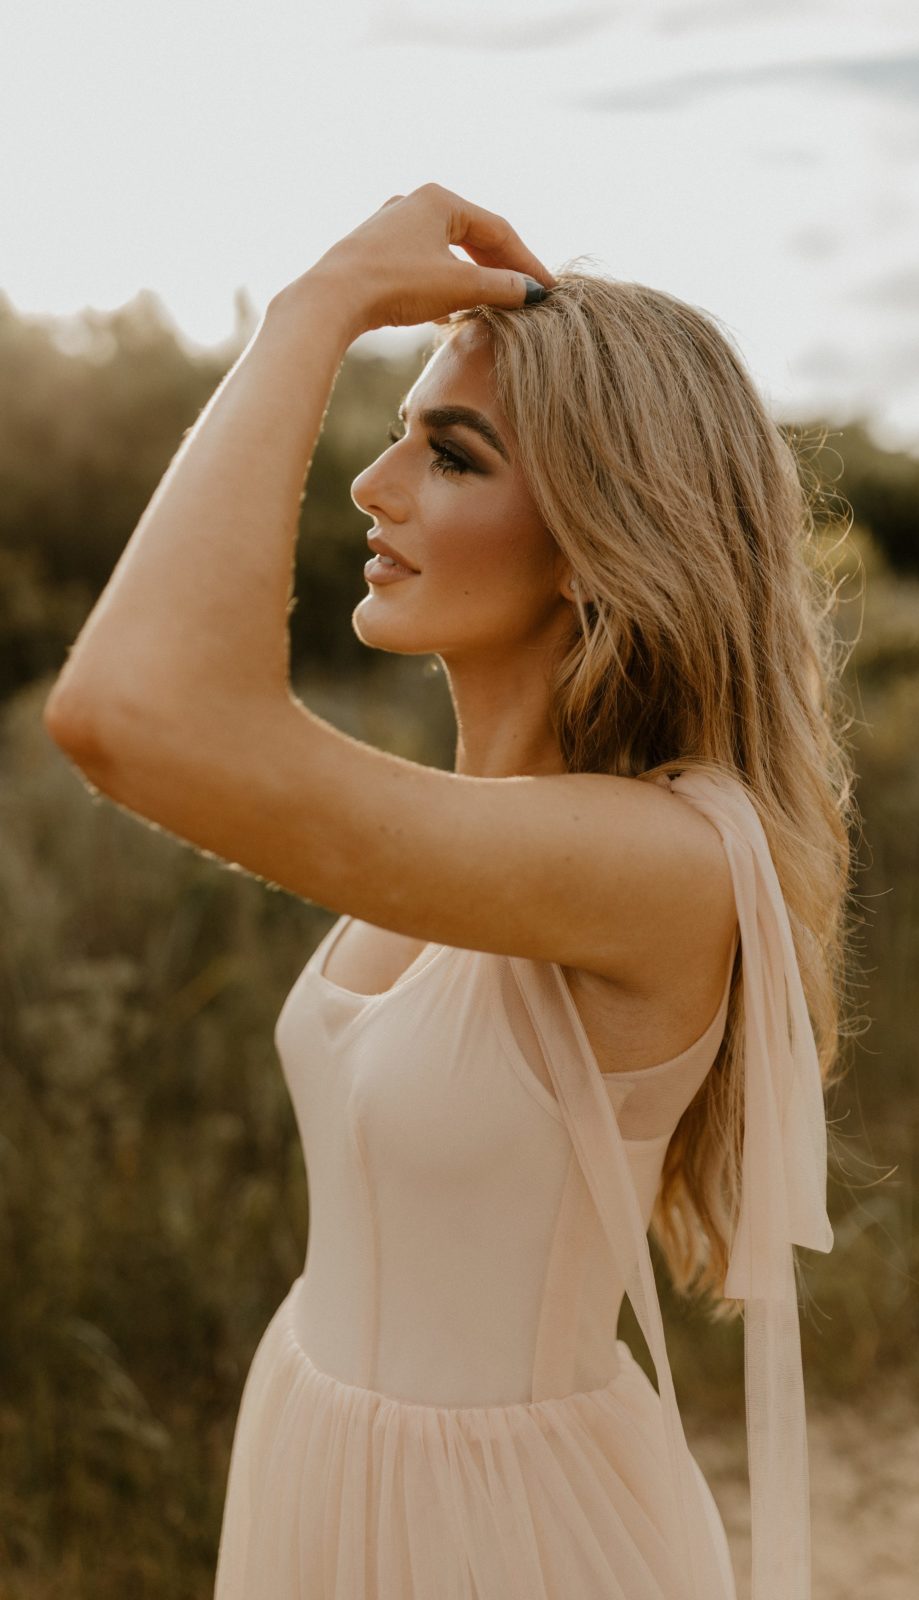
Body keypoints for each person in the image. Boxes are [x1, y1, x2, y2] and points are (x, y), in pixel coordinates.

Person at [44, 184, 857, 1600]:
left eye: (453, 455)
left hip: (499, 1535)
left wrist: (317, 307)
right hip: (316, 1451)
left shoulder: (657, 864)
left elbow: (134, 710)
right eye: (396, 435)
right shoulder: (471, 830)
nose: (375, 485)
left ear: (605, 534)